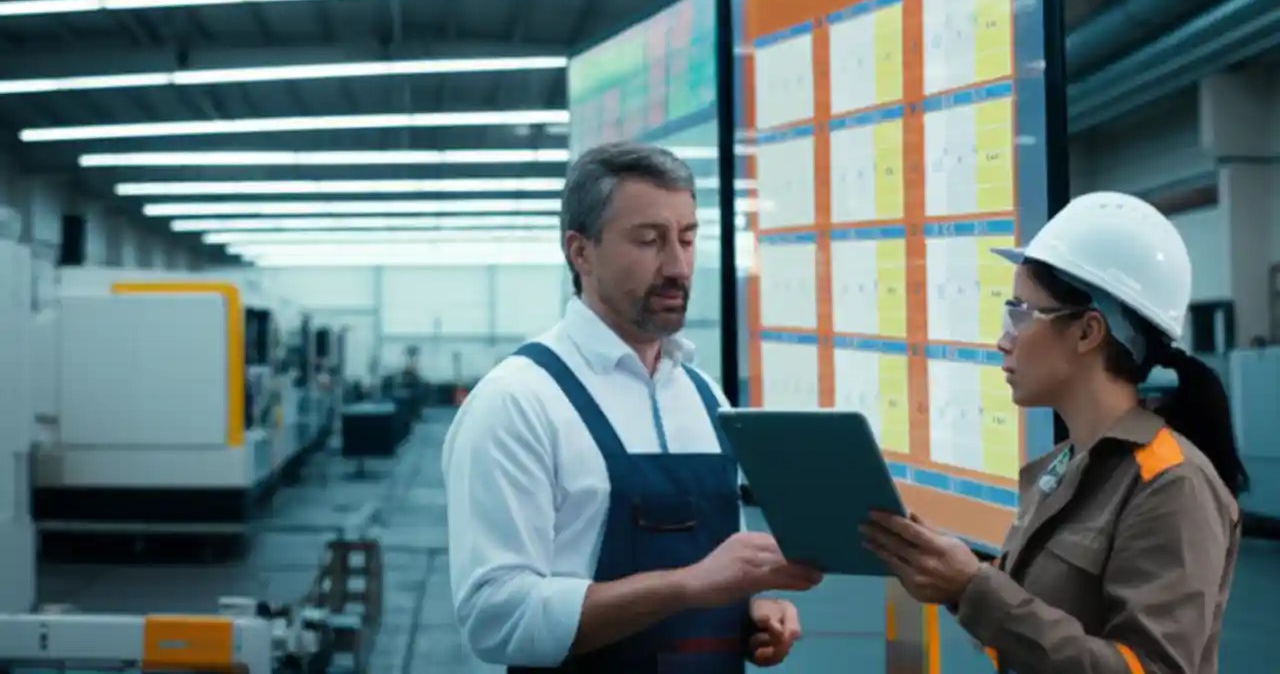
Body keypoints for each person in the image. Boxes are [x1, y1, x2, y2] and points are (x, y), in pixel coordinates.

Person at [442, 141, 823, 672]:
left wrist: (749, 609)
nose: (678, 266)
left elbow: (716, 572)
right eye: (649, 241)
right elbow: (496, 618)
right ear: (581, 252)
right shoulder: (518, 402)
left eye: (686, 239)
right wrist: (688, 586)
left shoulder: (703, 396)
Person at [861, 191, 1248, 674]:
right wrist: (958, 579)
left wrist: (974, 588)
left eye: (1021, 313)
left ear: (1088, 332)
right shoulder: (1060, 467)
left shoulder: (1172, 483)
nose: (1003, 339)